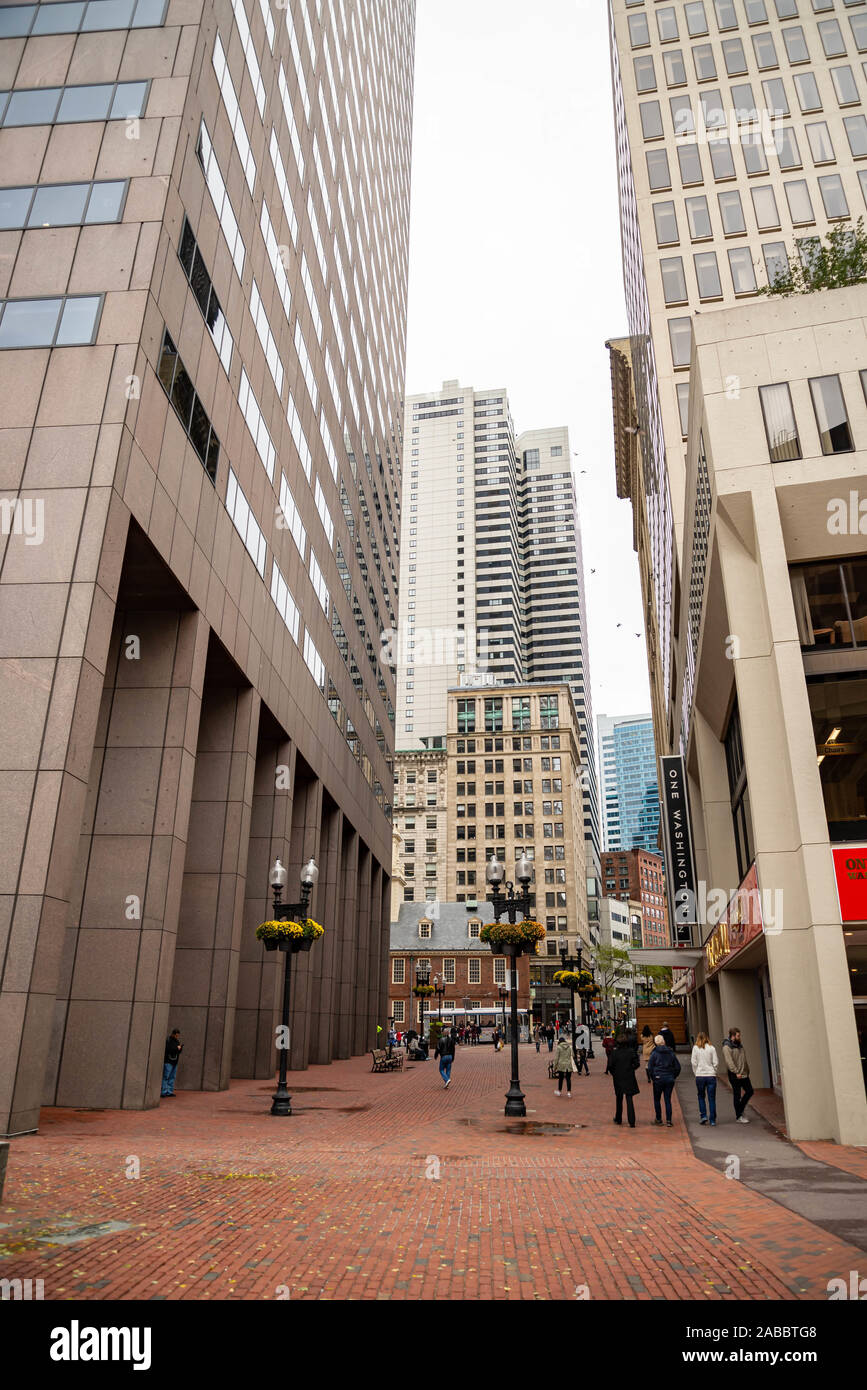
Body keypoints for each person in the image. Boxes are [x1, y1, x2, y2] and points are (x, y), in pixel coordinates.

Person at [607, 1031, 640, 1127]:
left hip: (618, 1077)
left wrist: (614, 1073)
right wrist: (631, 1069)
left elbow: (610, 1066)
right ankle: (632, 1121)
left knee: (619, 1098)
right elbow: (637, 1063)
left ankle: (618, 1118)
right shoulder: (631, 1052)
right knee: (629, 1098)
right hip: (629, 1076)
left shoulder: (614, 1053)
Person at [647, 1032, 681, 1126]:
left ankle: (659, 1119)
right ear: (664, 1042)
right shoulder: (670, 1052)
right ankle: (669, 1120)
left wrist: (653, 1077)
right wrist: (673, 1076)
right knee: (667, 1099)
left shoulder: (654, 1053)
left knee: (657, 1099)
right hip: (669, 1078)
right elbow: (677, 1067)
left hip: (658, 1078)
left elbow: (650, 1067)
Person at [723, 1027, 754, 1123]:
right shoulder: (727, 1047)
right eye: (738, 1035)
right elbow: (729, 1062)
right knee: (737, 1095)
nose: (739, 1037)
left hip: (744, 1074)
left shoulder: (740, 1045)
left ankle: (740, 1109)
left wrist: (747, 1070)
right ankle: (739, 1116)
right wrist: (736, 1072)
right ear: (733, 1036)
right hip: (735, 1075)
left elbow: (744, 1059)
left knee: (750, 1091)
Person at [691, 1031, 719, 1126]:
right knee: (711, 1098)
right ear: (707, 1038)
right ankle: (712, 1120)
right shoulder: (712, 1048)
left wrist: (696, 1072)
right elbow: (715, 1062)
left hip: (700, 1075)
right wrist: (713, 1071)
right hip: (711, 1075)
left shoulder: (695, 1048)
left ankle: (703, 1116)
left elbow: (694, 1062)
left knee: (701, 1096)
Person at [553, 1033, 576, 1098]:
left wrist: (554, 1067)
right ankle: (569, 1092)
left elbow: (556, 1058)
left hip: (561, 1065)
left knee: (560, 1079)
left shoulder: (559, 1047)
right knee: (568, 1079)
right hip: (568, 1065)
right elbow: (573, 1055)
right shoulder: (570, 1047)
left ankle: (559, 1091)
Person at [162, 1029, 182, 1097]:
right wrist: (177, 1048)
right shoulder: (168, 1040)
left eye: (178, 1036)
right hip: (168, 1061)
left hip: (175, 1062)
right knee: (166, 1077)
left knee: (172, 1077)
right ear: (173, 1034)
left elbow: (178, 1051)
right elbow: (168, 1049)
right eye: (176, 1035)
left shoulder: (177, 1041)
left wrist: (180, 1048)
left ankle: (169, 1091)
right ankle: (163, 1092)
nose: (177, 1037)